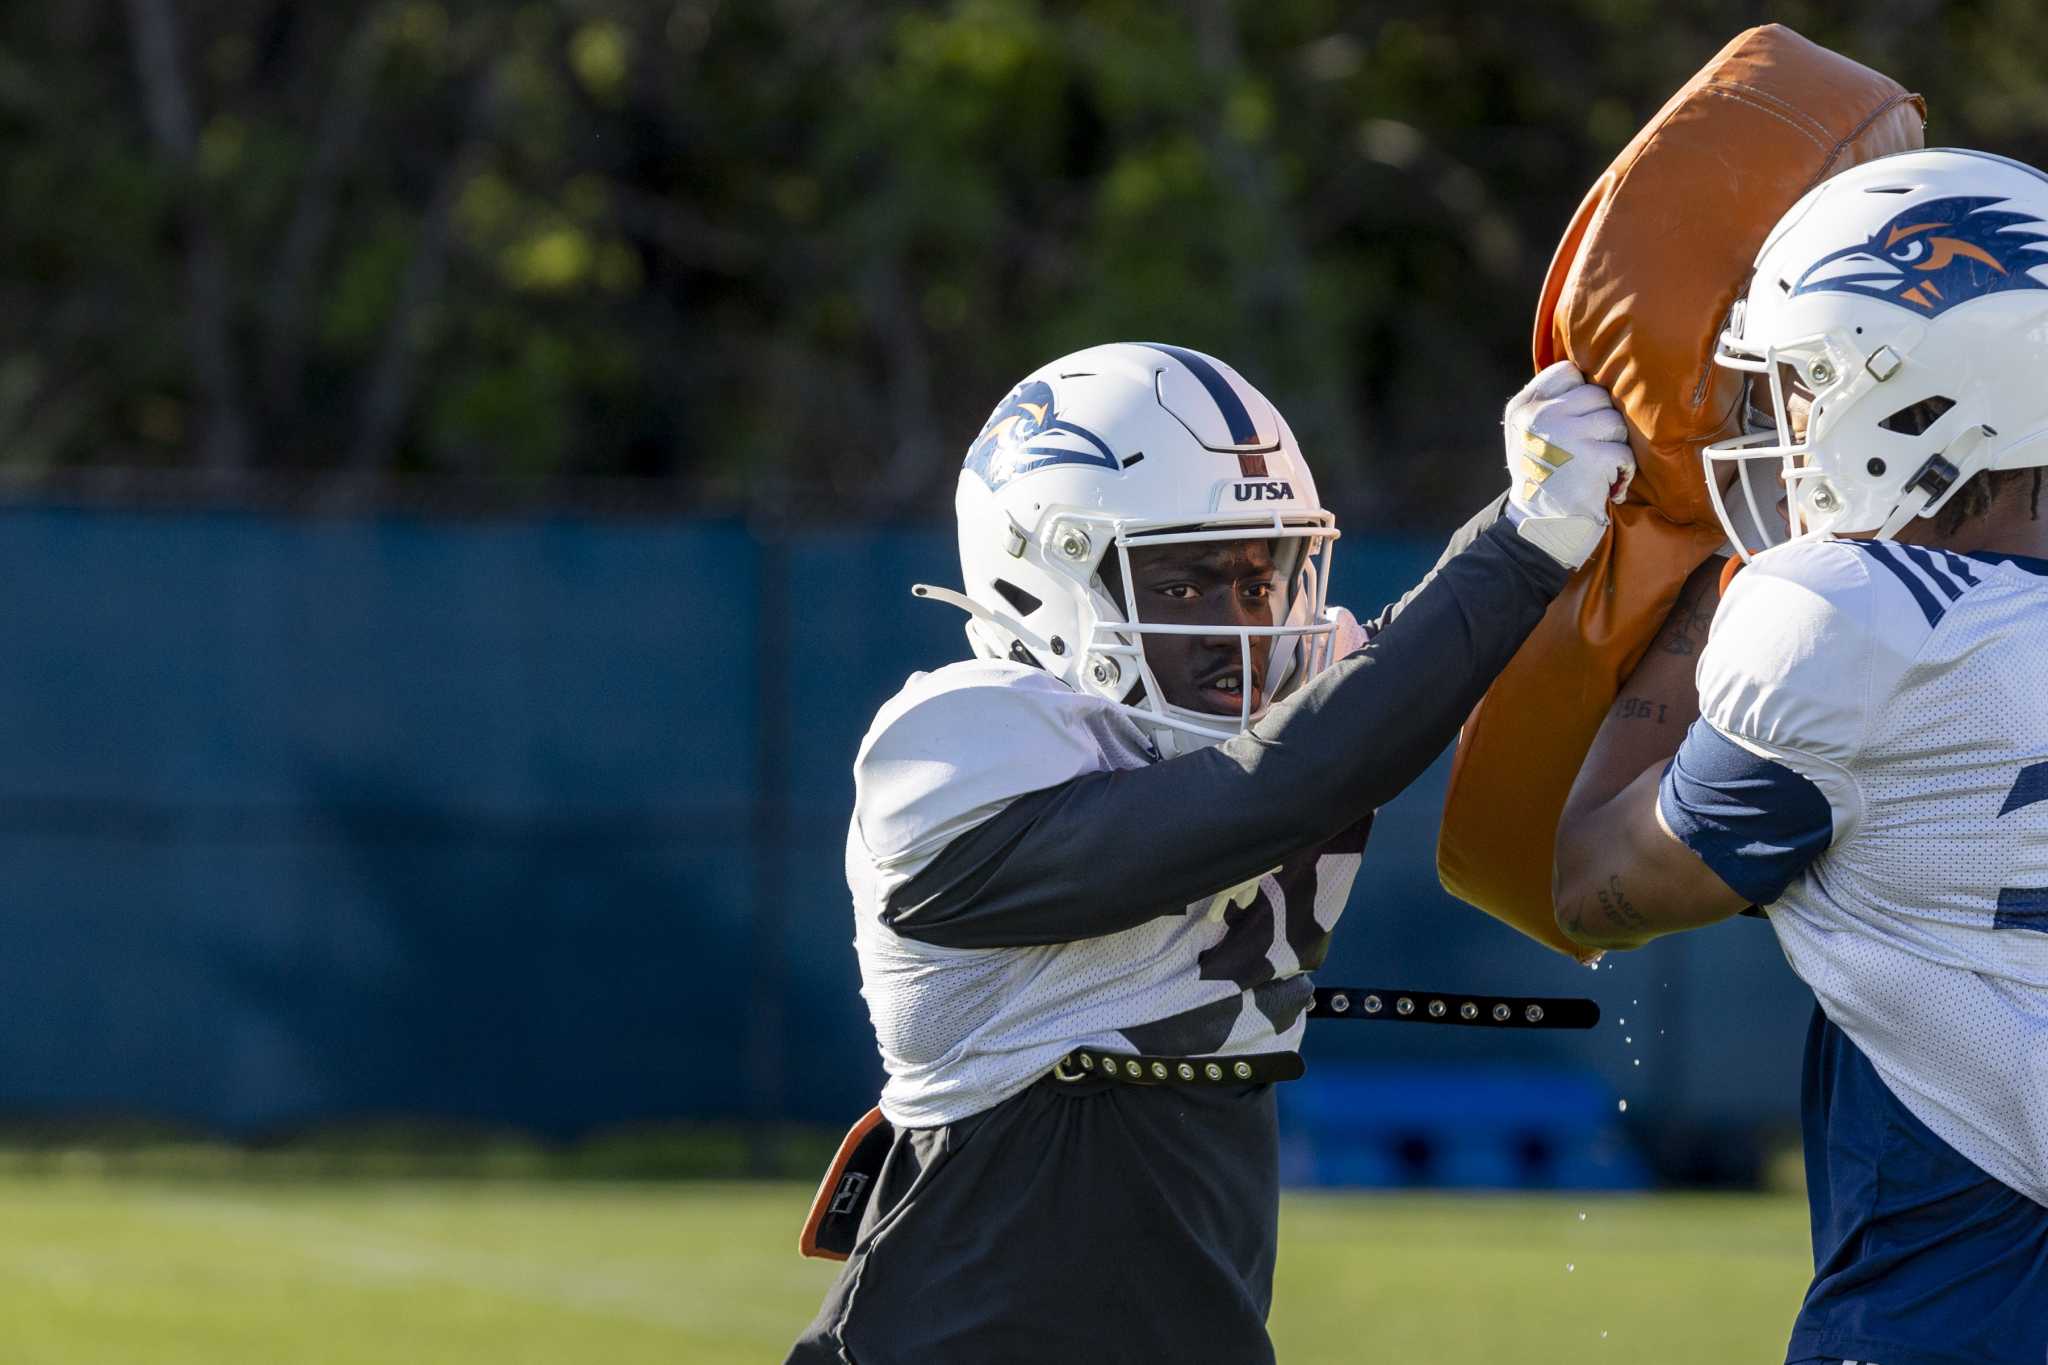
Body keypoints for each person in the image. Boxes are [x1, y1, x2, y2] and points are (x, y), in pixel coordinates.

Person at [786, 341, 1633, 1363]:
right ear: (1041, 572)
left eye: (1259, 573)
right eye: (1184, 582)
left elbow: (1398, 684)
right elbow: (1262, 792)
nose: (1238, 625)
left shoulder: (1289, 717)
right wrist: (1523, 535)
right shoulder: (953, 745)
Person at [1552, 148, 2048, 1365]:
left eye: (1805, 387)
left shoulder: (1857, 619)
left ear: (1924, 398)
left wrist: (1661, 569)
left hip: (1961, 1289)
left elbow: (1586, 883)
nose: (1783, 429)